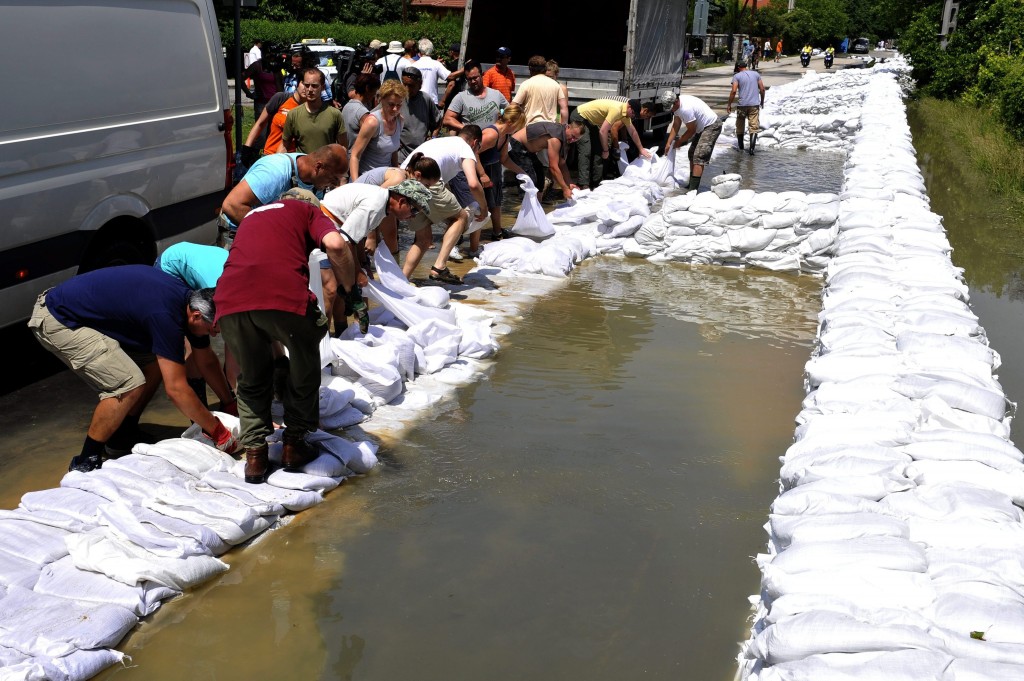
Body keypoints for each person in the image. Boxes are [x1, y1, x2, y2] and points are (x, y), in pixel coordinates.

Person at [28, 266, 238, 472]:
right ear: (196, 316)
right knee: (127, 383)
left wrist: (229, 403)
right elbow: (176, 389)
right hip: (59, 317)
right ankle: (86, 459)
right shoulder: (166, 316)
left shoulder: (188, 303)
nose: (214, 336)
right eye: (212, 330)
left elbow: (207, 362)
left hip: (88, 311)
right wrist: (217, 431)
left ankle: (123, 434)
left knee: (154, 366)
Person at [215, 190, 355, 484]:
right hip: (283, 297)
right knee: (305, 361)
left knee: (251, 377)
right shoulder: (306, 211)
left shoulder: (253, 216)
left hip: (228, 301)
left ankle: (255, 457)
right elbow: (336, 245)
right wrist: (349, 289)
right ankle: (293, 444)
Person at [317, 180, 431, 334]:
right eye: (414, 211)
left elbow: (355, 237)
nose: (412, 216)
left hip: (335, 229)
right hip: (324, 225)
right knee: (331, 288)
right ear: (401, 201)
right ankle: (321, 342)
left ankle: (340, 334)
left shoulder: (382, 204)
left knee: (341, 287)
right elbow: (346, 241)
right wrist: (357, 273)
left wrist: (363, 264)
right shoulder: (375, 205)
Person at [399, 127, 490, 284]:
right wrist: (484, 207)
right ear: (475, 142)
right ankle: (439, 267)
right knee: (461, 217)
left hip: (406, 179)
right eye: (479, 148)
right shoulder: (466, 148)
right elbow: (474, 184)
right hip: (428, 181)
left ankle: (401, 281)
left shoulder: (443, 141)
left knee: (423, 239)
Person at [155, 242, 239, 402]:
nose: (215, 335)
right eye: (213, 329)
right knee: (195, 348)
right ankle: (199, 415)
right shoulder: (221, 299)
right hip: (171, 270)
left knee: (209, 343)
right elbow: (233, 369)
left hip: (201, 266)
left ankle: (226, 403)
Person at [220, 144, 348, 237]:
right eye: (334, 178)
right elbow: (232, 205)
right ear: (319, 167)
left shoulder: (316, 180)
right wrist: (275, 235)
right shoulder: (275, 172)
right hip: (237, 231)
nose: (336, 184)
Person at [356, 153, 442, 260]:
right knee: (375, 243)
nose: (426, 189)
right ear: (418, 175)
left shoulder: (406, 179)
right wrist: (371, 236)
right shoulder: (398, 179)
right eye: (427, 185)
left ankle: (392, 272)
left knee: (391, 238)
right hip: (358, 204)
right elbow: (373, 202)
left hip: (377, 205)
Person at [570, 98, 654, 190]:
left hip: (591, 121)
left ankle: (596, 183)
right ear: (629, 107)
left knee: (599, 150)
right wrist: (606, 150)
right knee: (586, 150)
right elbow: (603, 131)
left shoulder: (625, 114)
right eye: (633, 113)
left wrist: (641, 148)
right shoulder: (617, 109)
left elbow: (632, 132)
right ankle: (583, 184)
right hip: (580, 116)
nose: (633, 116)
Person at [476, 103, 528, 245]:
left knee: (496, 201)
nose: (519, 129)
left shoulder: (505, 136)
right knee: (478, 207)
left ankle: (497, 232)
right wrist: (481, 174)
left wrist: (522, 173)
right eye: (519, 124)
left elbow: (504, 159)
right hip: (476, 170)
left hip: (492, 169)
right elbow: (472, 152)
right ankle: (464, 240)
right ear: (510, 122)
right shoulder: (491, 134)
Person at [508, 119, 585, 200]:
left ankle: (537, 206)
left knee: (540, 177)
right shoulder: (556, 139)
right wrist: (565, 189)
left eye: (576, 139)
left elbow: (562, 164)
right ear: (568, 127)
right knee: (529, 180)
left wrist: (569, 184)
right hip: (516, 145)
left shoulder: (565, 137)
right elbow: (553, 167)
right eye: (572, 136)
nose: (572, 140)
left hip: (527, 150)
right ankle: (524, 207)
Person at [661, 90, 722, 192]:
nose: (672, 110)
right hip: (702, 128)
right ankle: (691, 185)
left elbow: (691, 131)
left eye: (672, 107)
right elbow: (676, 125)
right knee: (691, 154)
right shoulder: (677, 107)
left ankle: (693, 190)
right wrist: (668, 142)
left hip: (712, 126)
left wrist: (679, 141)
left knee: (699, 156)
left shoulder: (685, 109)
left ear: (676, 101)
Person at [349, 78, 406, 181]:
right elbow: (355, 155)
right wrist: (355, 184)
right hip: (368, 175)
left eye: (399, 105)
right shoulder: (372, 122)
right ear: (381, 100)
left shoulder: (400, 121)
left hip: (387, 175)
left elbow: (393, 151)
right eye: (391, 104)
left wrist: (396, 169)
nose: (395, 109)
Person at [277, 68, 344, 154]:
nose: (310, 90)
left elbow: (343, 146)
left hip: (327, 165)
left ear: (323, 87)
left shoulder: (335, 114)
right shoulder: (293, 114)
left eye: (314, 86)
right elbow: (284, 145)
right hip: (303, 165)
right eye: (307, 85)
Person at [243, 81, 304, 159]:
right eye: (305, 84)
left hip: (294, 159)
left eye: (313, 85)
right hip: (270, 155)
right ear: (298, 84)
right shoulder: (281, 98)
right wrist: (247, 148)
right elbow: (260, 123)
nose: (308, 88)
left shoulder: (312, 108)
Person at [443, 60, 508, 133]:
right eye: (469, 79)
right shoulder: (461, 97)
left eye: (475, 78)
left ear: (482, 75)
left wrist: (502, 124)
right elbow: (447, 119)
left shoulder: (496, 94)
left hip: (493, 141)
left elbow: (511, 112)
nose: (473, 81)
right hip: (472, 142)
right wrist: (467, 130)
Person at [241, 52, 284, 152]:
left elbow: (280, 85)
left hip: (276, 103)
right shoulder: (257, 65)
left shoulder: (275, 67)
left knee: (274, 132)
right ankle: (253, 156)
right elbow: (241, 78)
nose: (271, 59)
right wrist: (249, 93)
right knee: (261, 134)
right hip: (262, 103)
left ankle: (268, 154)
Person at [398, 67, 442, 162]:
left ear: (420, 84)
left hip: (421, 156)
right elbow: (377, 117)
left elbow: (438, 123)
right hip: (401, 156)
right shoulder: (396, 99)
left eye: (411, 85)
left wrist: (433, 138)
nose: (407, 89)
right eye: (404, 84)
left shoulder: (426, 99)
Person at [513, 55, 569, 125]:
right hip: (551, 126)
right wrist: (562, 128)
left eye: (551, 77)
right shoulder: (556, 85)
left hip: (531, 126)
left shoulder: (526, 83)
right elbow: (564, 108)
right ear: (544, 70)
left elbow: (514, 106)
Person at [726, 59, 765, 155]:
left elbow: (734, 91)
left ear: (738, 67)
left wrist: (729, 104)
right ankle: (751, 150)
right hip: (754, 105)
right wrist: (762, 101)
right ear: (746, 66)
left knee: (740, 126)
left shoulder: (736, 76)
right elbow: (762, 89)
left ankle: (741, 148)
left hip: (742, 105)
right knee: (754, 126)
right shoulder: (756, 74)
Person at [341, 74, 379, 149]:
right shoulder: (363, 113)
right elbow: (373, 137)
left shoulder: (347, 106)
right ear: (367, 88)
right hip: (360, 158)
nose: (374, 95)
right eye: (374, 91)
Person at [411, 39, 452, 107]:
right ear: (431, 50)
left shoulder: (414, 65)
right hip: (432, 101)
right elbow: (450, 76)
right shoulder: (436, 64)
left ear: (420, 50)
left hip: (417, 101)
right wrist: (463, 69)